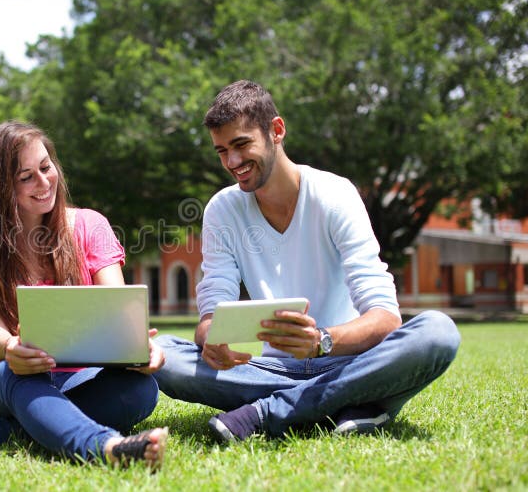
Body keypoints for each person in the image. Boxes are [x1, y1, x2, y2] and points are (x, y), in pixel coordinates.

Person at [152, 80, 461, 442]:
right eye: (222, 151)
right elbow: (212, 309)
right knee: (162, 354)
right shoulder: (222, 209)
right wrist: (210, 340)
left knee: (437, 333)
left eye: (241, 144)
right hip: (270, 369)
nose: (232, 162)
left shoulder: (335, 194)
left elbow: (385, 317)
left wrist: (321, 341)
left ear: (276, 131)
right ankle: (355, 404)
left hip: (347, 358)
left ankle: (267, 412)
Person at [0, 120, 168, 469]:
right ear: (0, 187)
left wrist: (137, 347)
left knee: (141, 390)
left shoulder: (91, 226)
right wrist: (11, 347)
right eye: (26, 176)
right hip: (8, 381)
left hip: (81, 378)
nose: (44, 183)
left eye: (46, 167)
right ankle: (105, 448)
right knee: (23, 376)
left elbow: (116, 308)